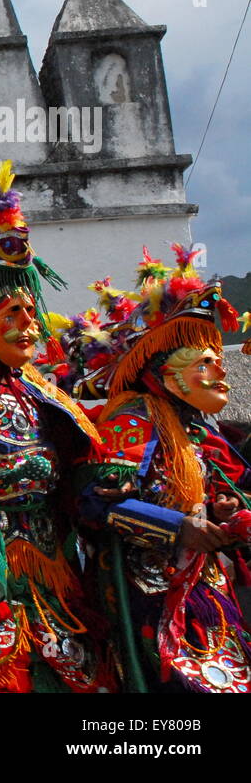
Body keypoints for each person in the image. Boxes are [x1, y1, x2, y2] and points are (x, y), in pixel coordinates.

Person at [0, 161, 115, 692]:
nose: (27, 326)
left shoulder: (46, 393)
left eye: (31, 313)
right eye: (10, 313)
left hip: (57, 559)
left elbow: (81, 466)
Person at [66, 245, 251, 692]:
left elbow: (203, 493)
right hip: (148, 592)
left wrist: (222, 510)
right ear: (166, 373)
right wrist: (176, 527)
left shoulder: (193, 428)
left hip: (203, 585)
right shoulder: (135, 417)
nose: (219, 374)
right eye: (205, 364)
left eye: (218, 362)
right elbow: (93, 501)